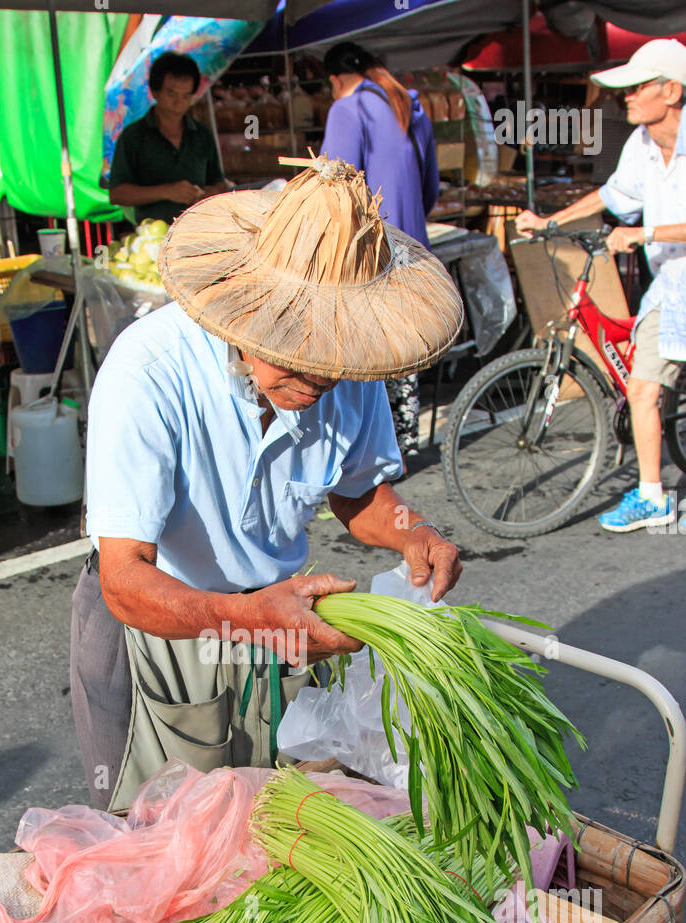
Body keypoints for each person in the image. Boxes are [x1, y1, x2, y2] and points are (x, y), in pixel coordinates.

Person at [70, 157, 464, 812]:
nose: (319, 377)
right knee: (156, 837)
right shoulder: (151, 369)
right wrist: (247, 620)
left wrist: (412, 533)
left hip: (272, 614)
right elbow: (125, 581)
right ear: (247, 314)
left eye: (335, 357)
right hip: (161, 620)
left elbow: (358, 494)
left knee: (265, 822)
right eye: (297, 350)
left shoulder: (348, 372)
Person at [516, 38, 686, 533]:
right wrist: (550, 221)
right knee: (642, 388)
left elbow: (638, 223)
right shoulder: (642, 145)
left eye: (636, 88)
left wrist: (644, 232)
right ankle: (653, 497)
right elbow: (612, 195)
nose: (625, 98)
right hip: (671, 286)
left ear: (671, 91)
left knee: (645, 387)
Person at [321, 42, 439, 457]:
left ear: (336, 80)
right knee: (401, 349)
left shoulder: (347, 110)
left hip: (367, 252)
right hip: (411, 248)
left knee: (363, 352)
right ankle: (402, 446)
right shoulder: (409, 105)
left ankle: (365, 452)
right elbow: (431, 189)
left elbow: (332, 189)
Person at [108, 52, 232, 226]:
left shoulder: (202, 134)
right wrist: (167, 191)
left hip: (200, 231)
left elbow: (220, 183)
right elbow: (117, 194)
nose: (179, 102)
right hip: (152, 237)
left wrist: (209, 192)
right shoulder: (133, 136)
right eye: (172, 94)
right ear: (155, 92)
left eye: (186, 96)